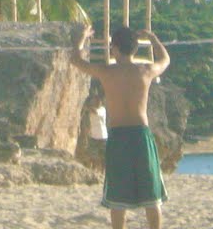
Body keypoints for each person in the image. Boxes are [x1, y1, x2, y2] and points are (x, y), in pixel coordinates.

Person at [69, 24, 169, 229]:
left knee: (118, 198)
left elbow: (75, 60)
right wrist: (153, 38)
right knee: (152, 195)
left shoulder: (107, 71)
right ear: (135, 48)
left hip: (119, 136)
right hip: (140, 135)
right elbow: (165, 59)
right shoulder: (145, 70)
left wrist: (82, 38)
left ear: (114, 48)